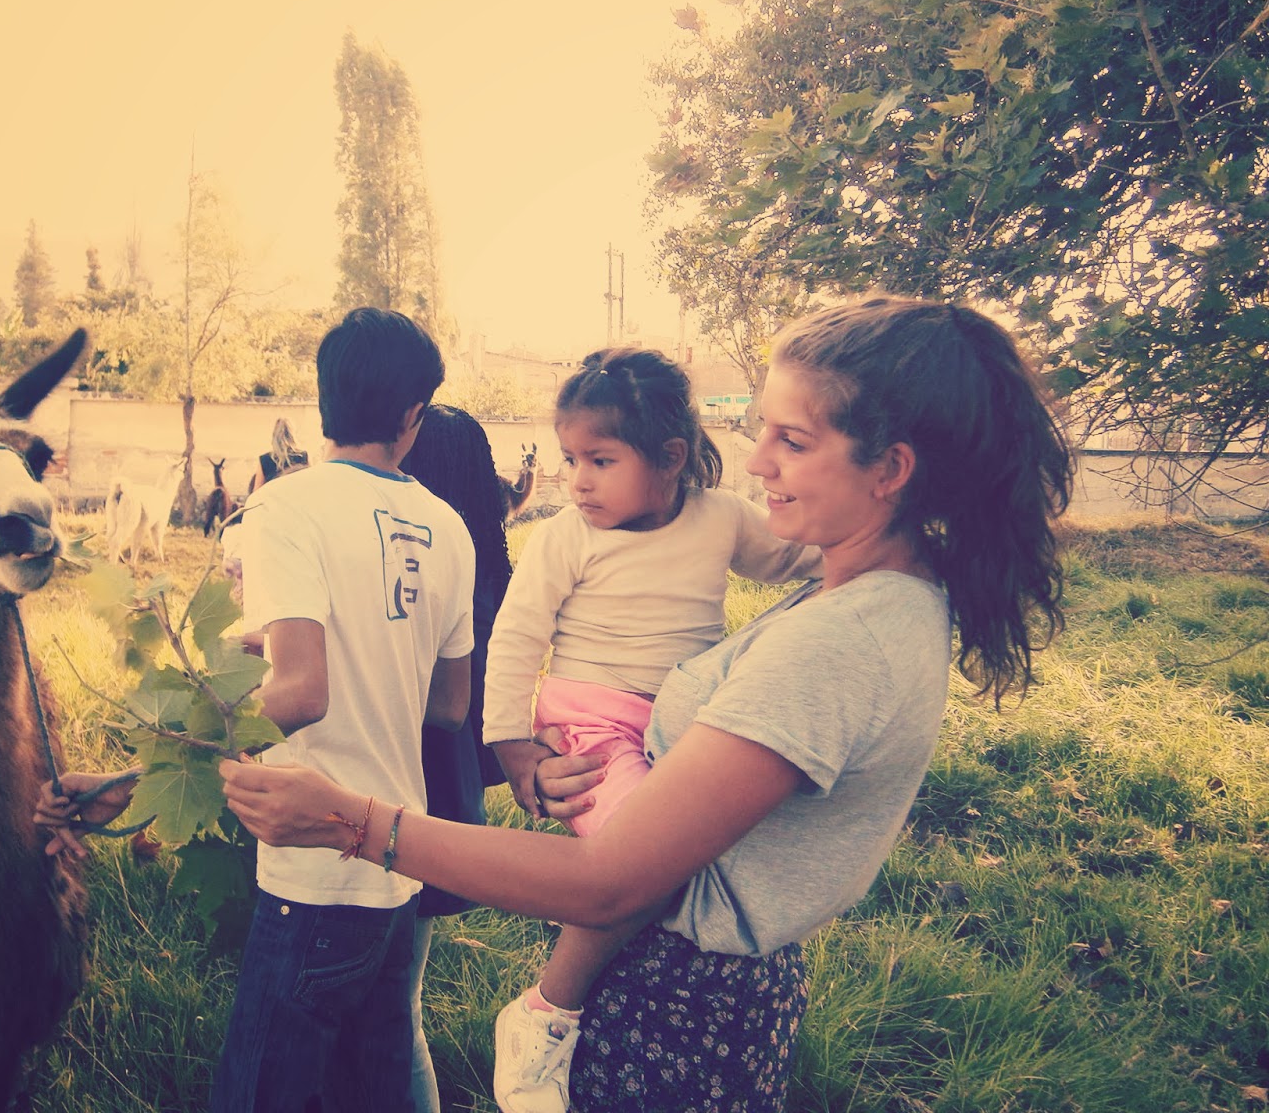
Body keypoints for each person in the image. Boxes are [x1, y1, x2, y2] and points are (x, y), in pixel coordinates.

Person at [216, 297, 1074, 1113]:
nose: (757, 461)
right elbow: (520, 657)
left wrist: (353, 821)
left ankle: (543, 1012)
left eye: (793, 439)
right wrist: (520, 749)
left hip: (678, 1007)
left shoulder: (843, 637)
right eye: (763, 431)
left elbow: (610, 883)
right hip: (692, 984)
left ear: (890, 470)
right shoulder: (871, 598)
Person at [43, 307, 477, 1112]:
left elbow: (303, 692)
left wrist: (142, 777)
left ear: (322, 400)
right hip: (396, 863)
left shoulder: (286, 506)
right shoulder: (449, 528)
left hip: (314, 876)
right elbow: (449, 706)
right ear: (413, 413)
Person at [477, 345, 821, 1112]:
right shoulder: (567, 536)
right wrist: (512, 749)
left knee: (699, 849)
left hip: (685, 727)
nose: (578, 480)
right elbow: (516, 638)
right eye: (571, 459)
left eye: (600, 461)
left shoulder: (719, 517)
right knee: (642, 857)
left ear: (670, 458)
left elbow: (789, 557)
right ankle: (546, 1012)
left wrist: (872, 555)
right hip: (591, 723)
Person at [397, 403, 515, 1113]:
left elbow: (445, 707)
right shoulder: (488, 570)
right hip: (446, 796)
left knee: (391, 1007)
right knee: (394, 999)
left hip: (414, 794)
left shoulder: (432, 575)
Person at [247, 416, 311, 494]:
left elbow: (256, 492)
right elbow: (309, 484)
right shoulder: (303, 456)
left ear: (274, 436)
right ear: (293, 434)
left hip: (273, 499)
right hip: (296, 498)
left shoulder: (264, 459)